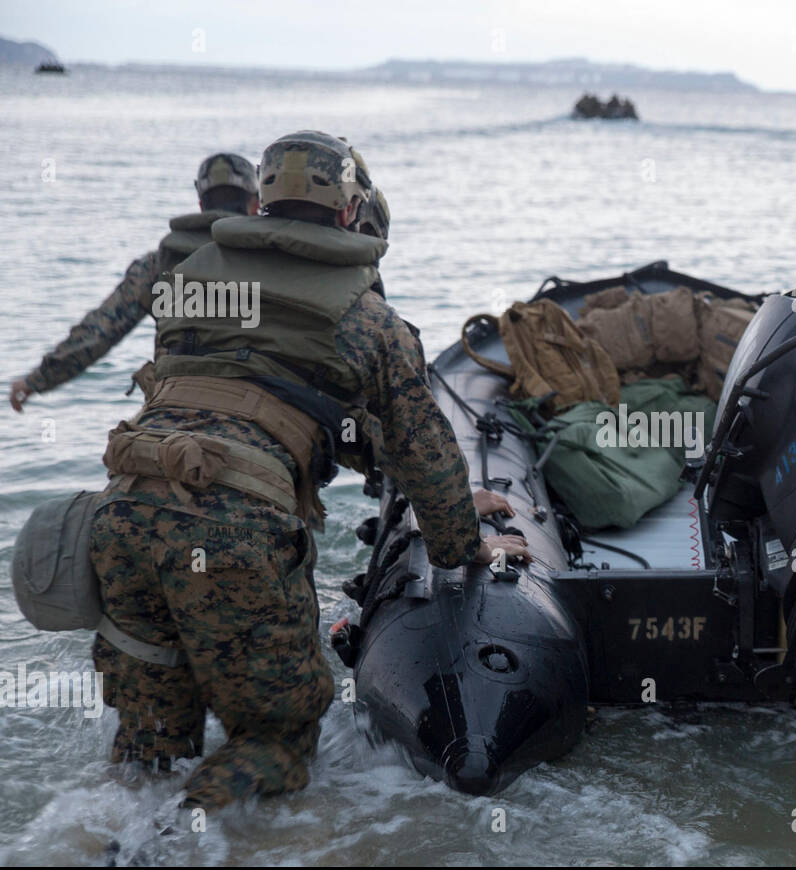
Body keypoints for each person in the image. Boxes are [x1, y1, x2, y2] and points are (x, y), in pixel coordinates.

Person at [89, 130, 529, 809]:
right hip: (234, 527)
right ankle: (164, 848)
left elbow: (249, 402)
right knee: (276, 743)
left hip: (121, 514)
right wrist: (463, 539)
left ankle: (98, 848)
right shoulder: (371, 320)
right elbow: (423, 447)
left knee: (149, 744)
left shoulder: (190, 283)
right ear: (353, 212)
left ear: (261, 206)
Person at [9, 153, 260, 411]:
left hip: (171, 406)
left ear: (200, 203)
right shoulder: (271, 261)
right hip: (254, 405)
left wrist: (36, 381)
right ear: (255, 204)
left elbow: (99, 331)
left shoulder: (157, 265)